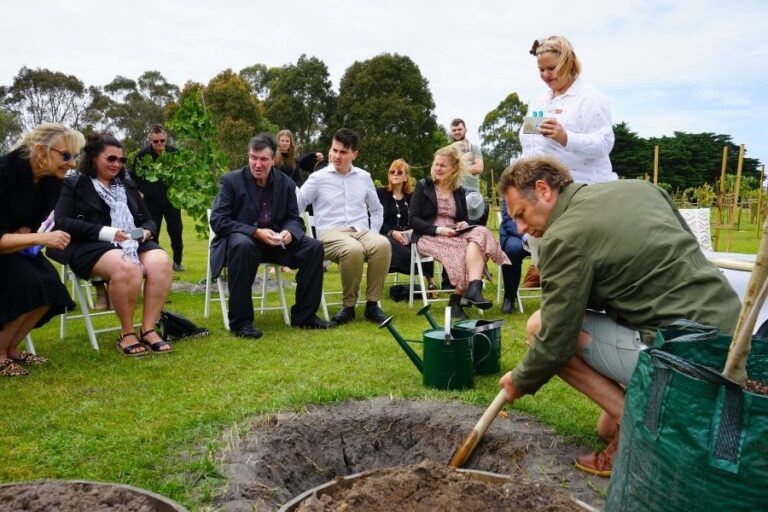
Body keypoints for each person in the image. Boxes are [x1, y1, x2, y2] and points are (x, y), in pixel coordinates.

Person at [497, 156, 741, 477]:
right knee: (603, 426)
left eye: (521, 214)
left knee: (538, 326)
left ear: (543, 190)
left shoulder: (563, 236)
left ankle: (638, 433)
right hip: (733, 331)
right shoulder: (642, 189)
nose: (521, 228)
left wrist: (520, 381)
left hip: (684, 352)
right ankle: (641, 413)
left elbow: (555, 342)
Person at [51, 132, 173, 357]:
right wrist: (108, 233)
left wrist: (146, 231)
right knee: (126, 266)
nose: (117, 164)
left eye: (121, 160)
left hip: (132, 241)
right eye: (111, 159)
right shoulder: (73, 184)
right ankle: (127, 333)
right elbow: (63, 222)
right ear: (94, 158)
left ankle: (148, 329)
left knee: (161, 262)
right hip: (91, 244)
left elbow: (147, 219)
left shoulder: (127, 185)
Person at [210, 134, 335, 339]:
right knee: (243, 245)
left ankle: (304, 316)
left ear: (274, 158)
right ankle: (241, 322)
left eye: (263, 159)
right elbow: (219, 221)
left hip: (275, 243)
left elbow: (294, 219)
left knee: (314, 247)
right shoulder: (231, 181)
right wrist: (256, 232)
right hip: (243, 242)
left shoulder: (285, 183)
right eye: (253, 158)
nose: (257, 164)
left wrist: (289, 233)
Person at [520, 35, 616, 288]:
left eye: (551, 68)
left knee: (581, 263)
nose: (546, 75)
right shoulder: (539, 102)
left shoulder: (591, 99)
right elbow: (528, 143)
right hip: (544, 196)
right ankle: (557, 303)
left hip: (582, 194)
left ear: (568, 63)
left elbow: (604, 143)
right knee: (550, 264)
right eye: (541, 69)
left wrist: (566, 137)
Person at [0, 123, 85, 376]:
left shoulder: (51, 181)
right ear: (40, 150)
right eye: (66, 155)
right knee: (29, 282)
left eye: (75, 157)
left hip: (15, 246)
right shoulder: (4, 173)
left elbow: (28, 227)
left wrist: (26, 234)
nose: (71, 164)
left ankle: (12, 349)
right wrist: (38, 237)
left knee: (51, 285)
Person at [297, 128, 391, 325]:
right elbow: (296, 205)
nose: (336, 156)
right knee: (353, 250)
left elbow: (377, 209)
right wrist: (298, 232)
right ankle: (349, 306)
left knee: (382, 244)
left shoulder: (364, 177)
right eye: (334, 150)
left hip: (360, 231)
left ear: (354, 154)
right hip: (330, 234)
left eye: (343, 152)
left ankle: (372, 305)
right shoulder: (318, 178)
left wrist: (372, 233)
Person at [409, 146, 509, 320]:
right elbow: (413, 220)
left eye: (443, 165)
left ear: (454, 168)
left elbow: (462, 218)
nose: (438, 168)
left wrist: (463, 223)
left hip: (454, 232)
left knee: (481, 233)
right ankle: (460, 298)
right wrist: (439, 230)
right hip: (429, 234)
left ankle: (471, 289)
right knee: (466, 250)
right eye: (436, 164)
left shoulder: (458, 190)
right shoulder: (423, 186)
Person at [376, 159, 436, 296]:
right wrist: (392, 232)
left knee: (423, 241)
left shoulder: (412, 197)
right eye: (392, 171)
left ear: (406, 177)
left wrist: (412, 231)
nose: (395, 174)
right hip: (386, 234)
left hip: (408, 235)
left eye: (399, 172)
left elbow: (418, 218)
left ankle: (431, 282)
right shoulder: (380, 193)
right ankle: (415, 267)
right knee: (390, 244)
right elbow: (374, 219)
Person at [132, 124, 185, 272]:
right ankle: (152, 262)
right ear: (150, 140)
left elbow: (183, 175)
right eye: (156, 141)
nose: (159, 144)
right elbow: (134, 178)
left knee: (176, 231)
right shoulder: (142, 156)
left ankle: (178, 262)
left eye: (162, 140)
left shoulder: (175, 154)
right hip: (151, 202)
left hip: (172, 201)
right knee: (151, 232)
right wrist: (144, 192)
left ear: (166, 139)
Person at [449, 118, 487, 226]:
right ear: (451, 132)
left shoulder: (474, 148)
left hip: (472, 192)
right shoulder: (449, 151)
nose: (457, 132)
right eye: (454, 130)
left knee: (475, 226)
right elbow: (447, 171)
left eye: (459, 129)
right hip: (454, 192)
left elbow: (479, 168)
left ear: (465, 130)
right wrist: (466, 160)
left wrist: (457, 167)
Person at [499, 197, 530, 314]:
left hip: (540, 230)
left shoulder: (543, 186)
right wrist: (525, 236)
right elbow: (508, 219)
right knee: (512, 250)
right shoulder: (510, 188)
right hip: (515, 233)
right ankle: (509, 297)